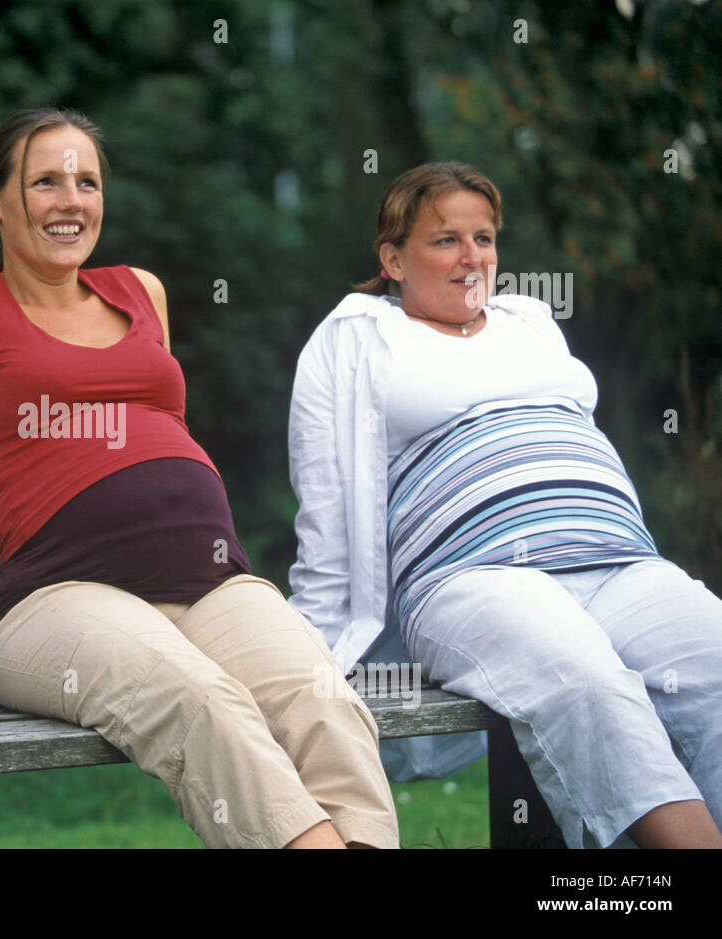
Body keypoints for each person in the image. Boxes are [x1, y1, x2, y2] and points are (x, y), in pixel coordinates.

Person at [0, 107, 398, 849]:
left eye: (87, 181)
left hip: (210, 584)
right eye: (45, 182)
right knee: (200, 699)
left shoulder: (140, 290)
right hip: (55, 596)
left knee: (323, 700)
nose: (72, 200)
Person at [288, 160, 722, 848]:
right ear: (392, 257)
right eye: (446, 240)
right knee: (584, 681)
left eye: (484, 238)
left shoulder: (529, 321)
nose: (473, 258)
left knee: (714, 657)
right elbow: (327, 511)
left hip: (617, 561)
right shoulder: (352, 341)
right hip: (475, 579)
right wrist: (302, 650)